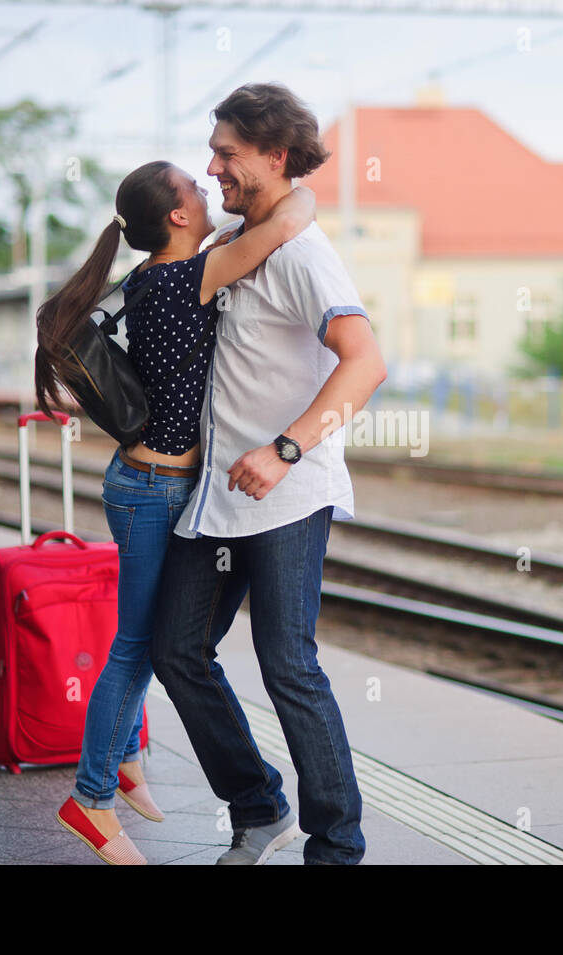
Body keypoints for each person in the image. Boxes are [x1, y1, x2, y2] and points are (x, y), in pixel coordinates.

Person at [33, 159, 316, 865]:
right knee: (135, 647)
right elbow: (287, 222)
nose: (209, 184)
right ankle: (91, 798)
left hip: (156, 485)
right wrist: (293, 173)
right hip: (153, 492)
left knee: (165, 643)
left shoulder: (164, 275)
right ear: (179, 216)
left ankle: (125, 756)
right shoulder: (180, 280)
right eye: (197, 184)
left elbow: (234, 240)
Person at [150, 83, 387, 866]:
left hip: (287, 493)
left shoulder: (305, 255)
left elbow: (367, 364)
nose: (211, 166)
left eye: (226, 153)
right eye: (212, 152)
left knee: (288, 664)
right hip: (217, 496)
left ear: (275, 157)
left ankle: (337, 846)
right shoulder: (235, 240)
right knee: (177, 650)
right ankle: (258, 804)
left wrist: (286, 448)